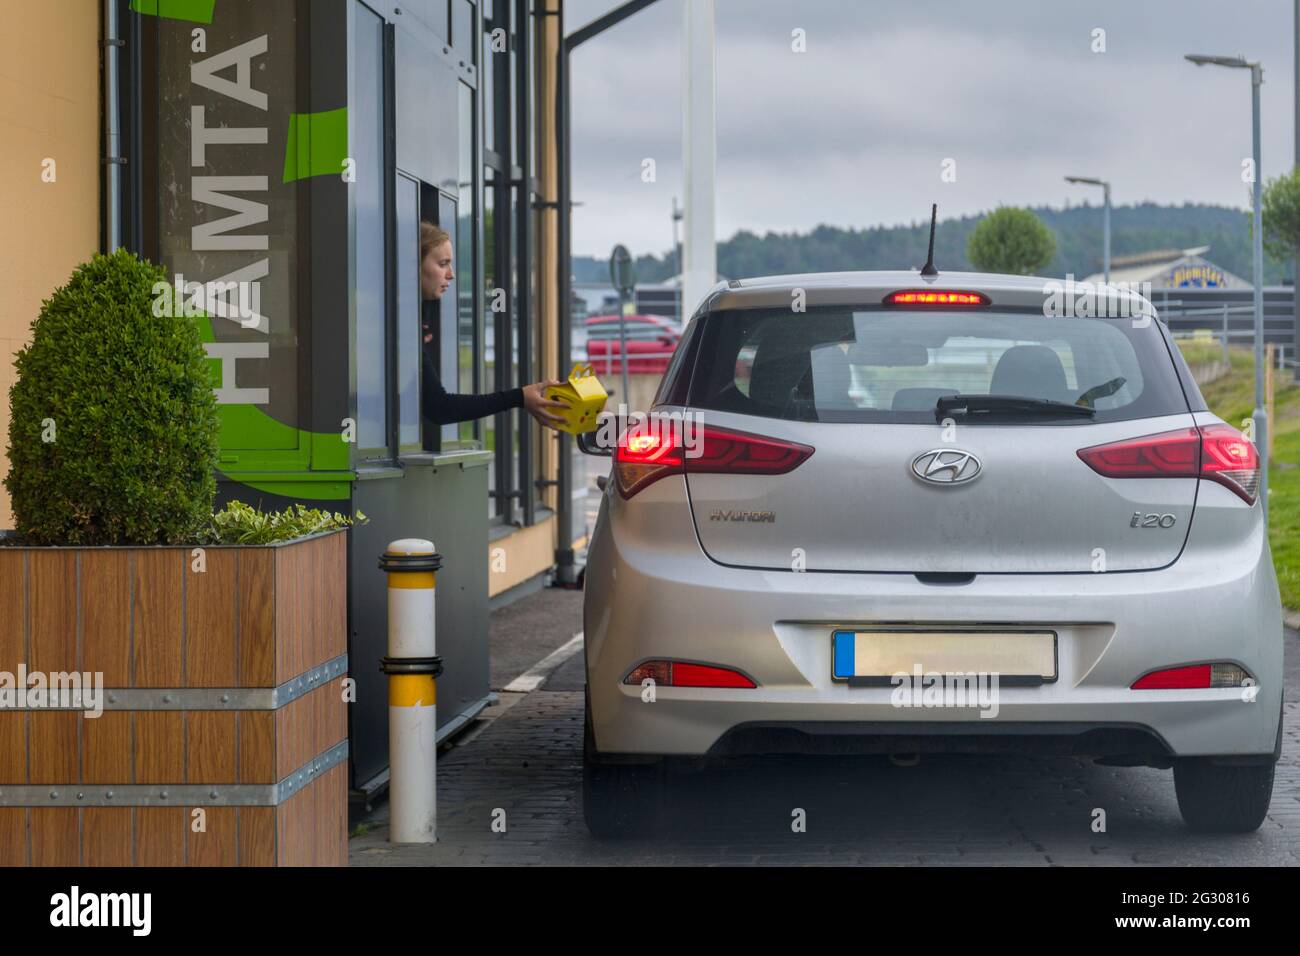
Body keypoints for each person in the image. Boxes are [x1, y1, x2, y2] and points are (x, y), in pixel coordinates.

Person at [419, 222, 568, 428]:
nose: (451, 274)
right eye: (443, 263)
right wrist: (519, 397)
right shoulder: (403, 335)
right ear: (413, 264)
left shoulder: (410, 328)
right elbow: (439, 407)